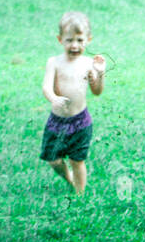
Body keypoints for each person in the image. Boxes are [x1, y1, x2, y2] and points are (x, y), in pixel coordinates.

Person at [40, 11, 105, 193]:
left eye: (79, 40)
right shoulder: (54, 62)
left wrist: (99, 73)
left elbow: (97, 91)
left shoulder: (88, 64)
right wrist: (53, 98)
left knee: (78, 161)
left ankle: (79, 195)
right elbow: (46, 86)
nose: (74, 45)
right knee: (53, 159)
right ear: (60, 40)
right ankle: (69, 180)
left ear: (88, 40)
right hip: (57, 121)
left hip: (80, 121)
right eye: (69, 40)